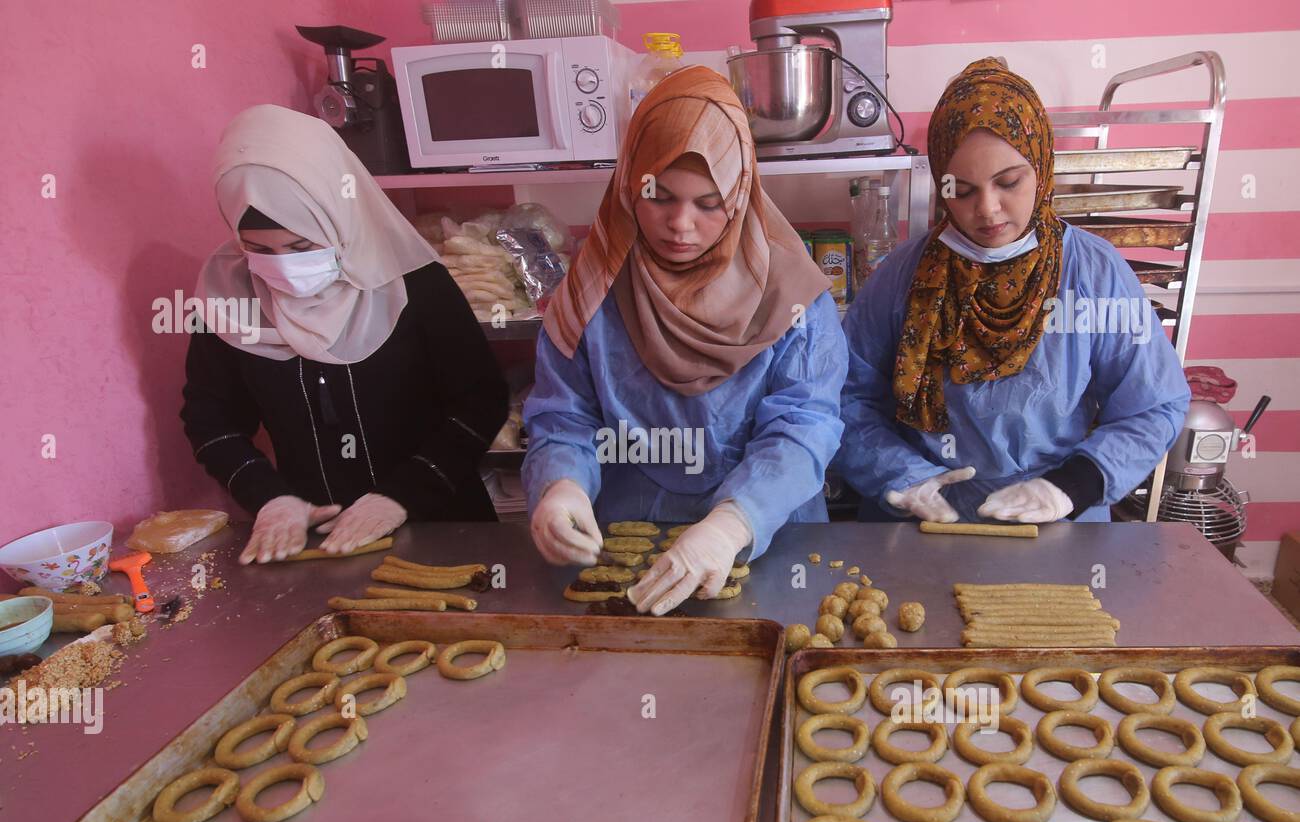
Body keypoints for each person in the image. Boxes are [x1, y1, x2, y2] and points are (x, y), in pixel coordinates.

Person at [522, 67, 846, 615]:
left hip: (769, 548)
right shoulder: (590, 293)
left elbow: (804, 426)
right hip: (627, 551)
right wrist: (561, 485)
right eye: (659, 195)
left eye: (708, 202)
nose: (680, 224)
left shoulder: (793, 298)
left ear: (741, 194)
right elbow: (565, 418)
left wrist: (732, 522)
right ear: (629, 183)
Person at [837, 58, 1190, 524]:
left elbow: (1153, 405)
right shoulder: (904, 275)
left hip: (1054, 520)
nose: (987, 209)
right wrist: (901, 475)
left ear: (1041, 168)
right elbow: (845, 398)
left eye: (1008, 182)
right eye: (961, 190)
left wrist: (1073, 485)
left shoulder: (1093, 274)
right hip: (923, 521)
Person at [182, 104, 508, 563]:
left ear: (339, 218)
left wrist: (402, 495)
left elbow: (479, 399)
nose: (284, 266)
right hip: (309, 535)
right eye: (258, 249)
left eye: (302, 246)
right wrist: (270, 498)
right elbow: (210, 418)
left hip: (441, 521)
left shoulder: (412, 283)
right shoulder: (226, 298)